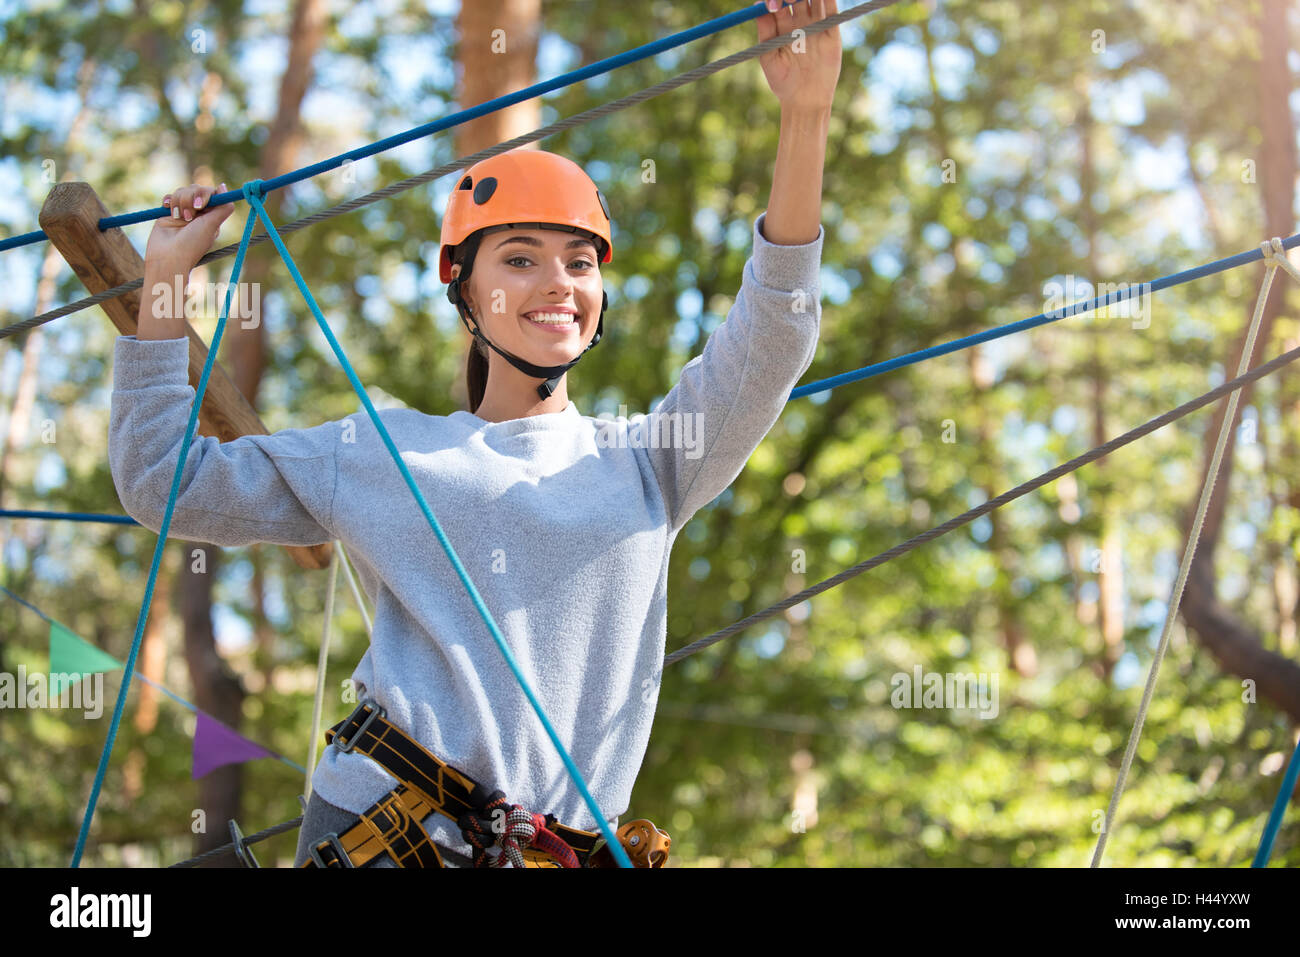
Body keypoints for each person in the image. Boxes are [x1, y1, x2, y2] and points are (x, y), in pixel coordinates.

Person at [108, 0, 840, 867]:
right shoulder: (386, 449)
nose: (558, 283)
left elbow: (774, 333)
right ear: (465, 290)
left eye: (579, 260)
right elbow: (161, 480)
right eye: (520, 258)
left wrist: (806, 113)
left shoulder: (652, 462)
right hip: (382, 839)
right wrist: (163, 282)